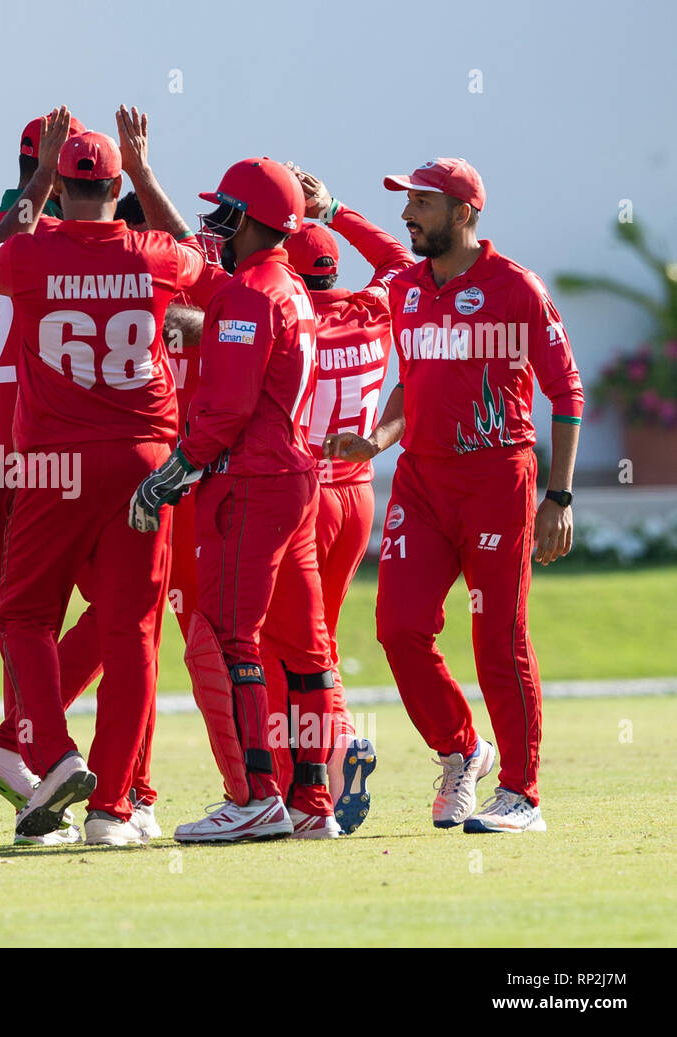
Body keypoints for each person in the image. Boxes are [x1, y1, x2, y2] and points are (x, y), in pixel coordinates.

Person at [327, 158, 582, 833]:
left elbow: (567, 391)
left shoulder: (516, 287)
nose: (409, 214)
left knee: (498, 639)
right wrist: (373, 441)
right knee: (398, 627)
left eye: (424, 204)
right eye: (407, 203)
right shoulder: (408, 289)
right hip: (421, 478)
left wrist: (559, 496)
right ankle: (463, 749)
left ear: (464, 212)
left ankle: (522, 796)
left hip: (499, 480)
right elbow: (413, 387)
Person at [0, 106, 206, 846]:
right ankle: (114, 809)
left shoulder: (31, 254)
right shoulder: (151, 254)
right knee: (131, 632)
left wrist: (40, 173)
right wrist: (147, 171)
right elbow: (200, 257)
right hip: (144, 454)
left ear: (64, 185)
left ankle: (51, 753)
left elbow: (4, 244)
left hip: (58, 459)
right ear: (118, 185)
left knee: (22, 613)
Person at [0, 114, 146, 845]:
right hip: (49, 445)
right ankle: (88, 778)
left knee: (27, 622)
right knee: (115, 616)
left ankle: (26, 759)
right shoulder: (52, 246)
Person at [131, 157, 341, 841]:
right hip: (295, 475)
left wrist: (173, 472)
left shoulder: (252, 294)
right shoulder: (283, 285)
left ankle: (257, 795)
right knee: (304, 646)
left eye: (225, 209)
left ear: (251, 219)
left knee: (233, 636)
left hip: (252, 478)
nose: (215, 221)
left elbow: (227, 409)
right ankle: (311, 798)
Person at [254, 168, 413, 834]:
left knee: (283, 646)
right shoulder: (375, 306)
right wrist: (338, 207)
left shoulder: (286, 314)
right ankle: (337, 742)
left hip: (304, 497)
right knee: (317, 640)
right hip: (358, 497)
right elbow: (398, 261)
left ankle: (313, 768)